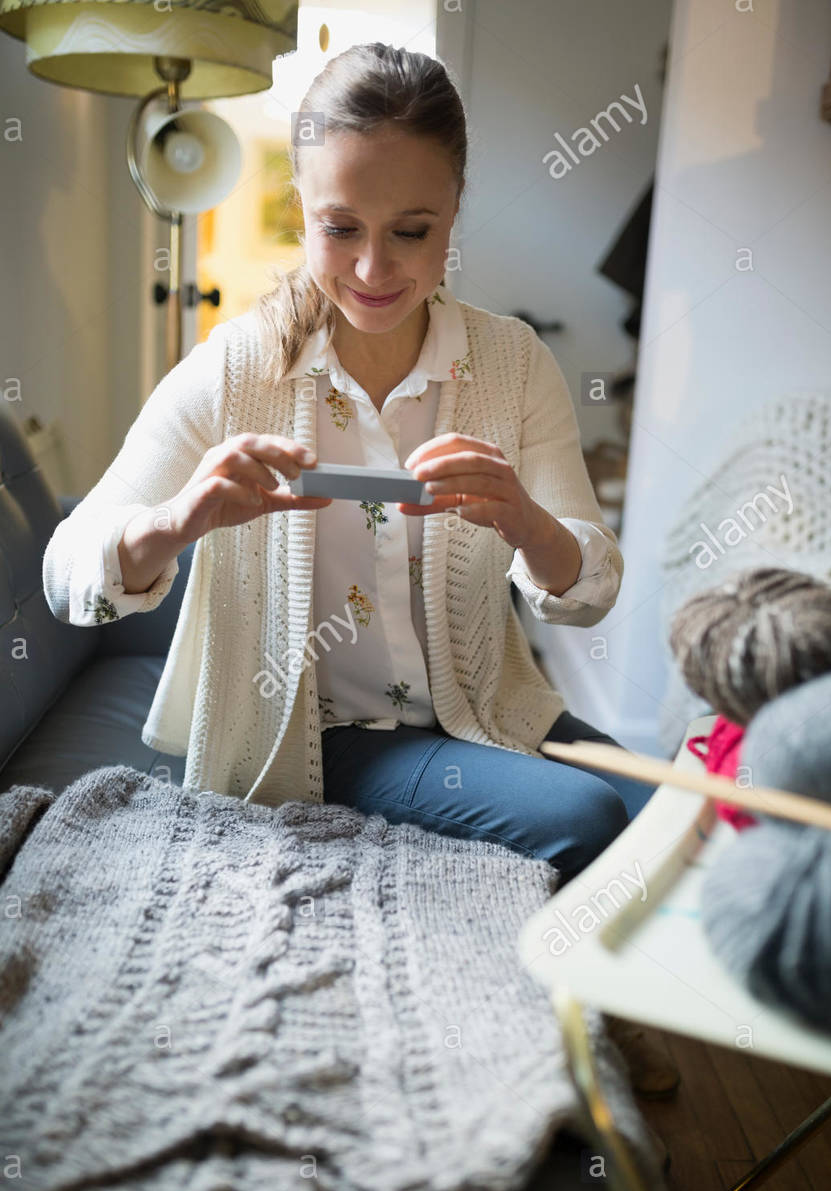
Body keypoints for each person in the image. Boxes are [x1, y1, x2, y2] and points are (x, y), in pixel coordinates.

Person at [42, 41, 656, 895]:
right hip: (315, 739)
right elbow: (67, 573)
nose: (374, 269)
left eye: (413, 231)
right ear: (303, 209)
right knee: (585, 821)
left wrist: (528, 522)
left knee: (677, 817)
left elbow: (591, 590)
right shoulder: (237, 370)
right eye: (340, 229)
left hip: (490, 708)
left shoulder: (513, 364)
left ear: (455, 208)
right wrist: (176, 521)